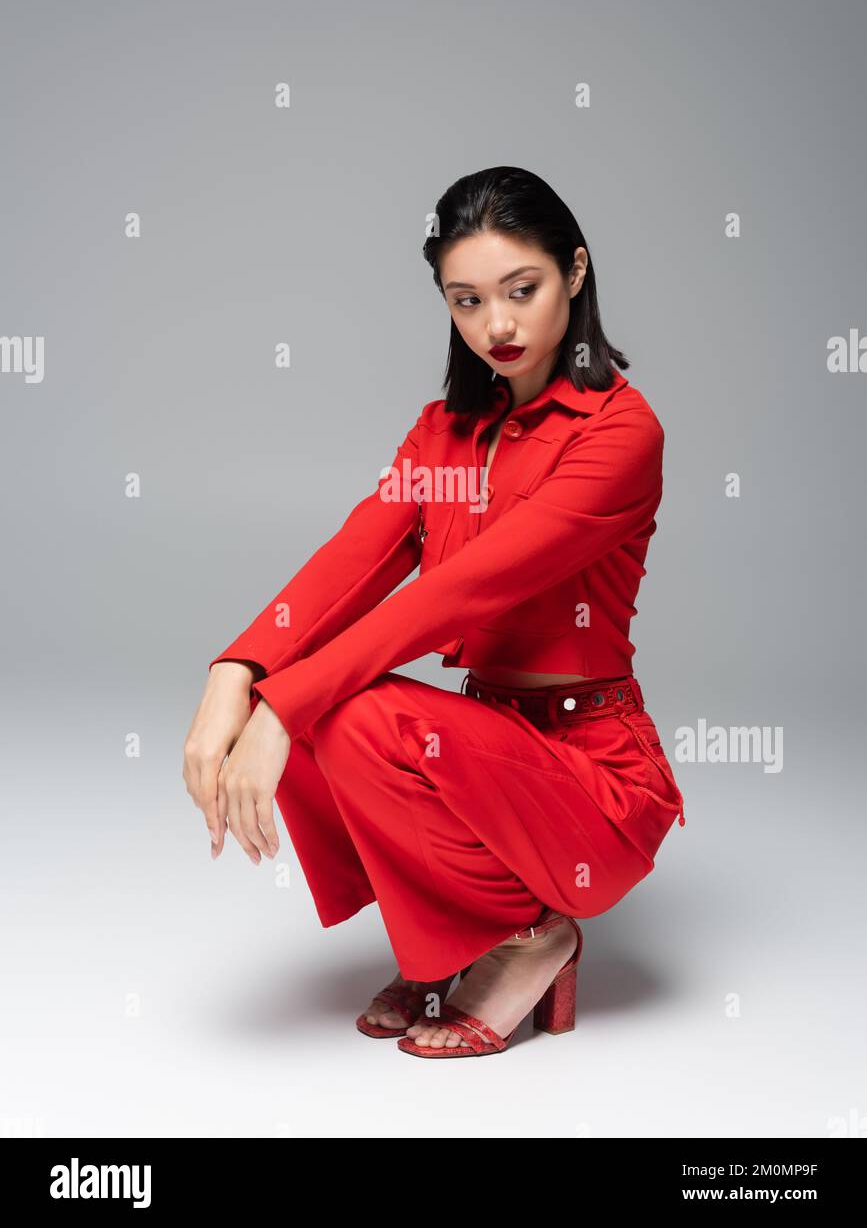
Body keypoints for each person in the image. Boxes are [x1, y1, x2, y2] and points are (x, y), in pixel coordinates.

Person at [183, 165, 686, 1060]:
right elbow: (350, 565)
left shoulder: (619, 433)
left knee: (348, 706)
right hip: (486, 752)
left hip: (592, 782)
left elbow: (463, 590)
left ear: (574, 272)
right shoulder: (444, 432)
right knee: (319, 697)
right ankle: (456, 935)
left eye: (521, 291)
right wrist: (238, 672)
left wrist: (283, 706)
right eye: (466, 300)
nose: (496, 325)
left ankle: (531, 935)